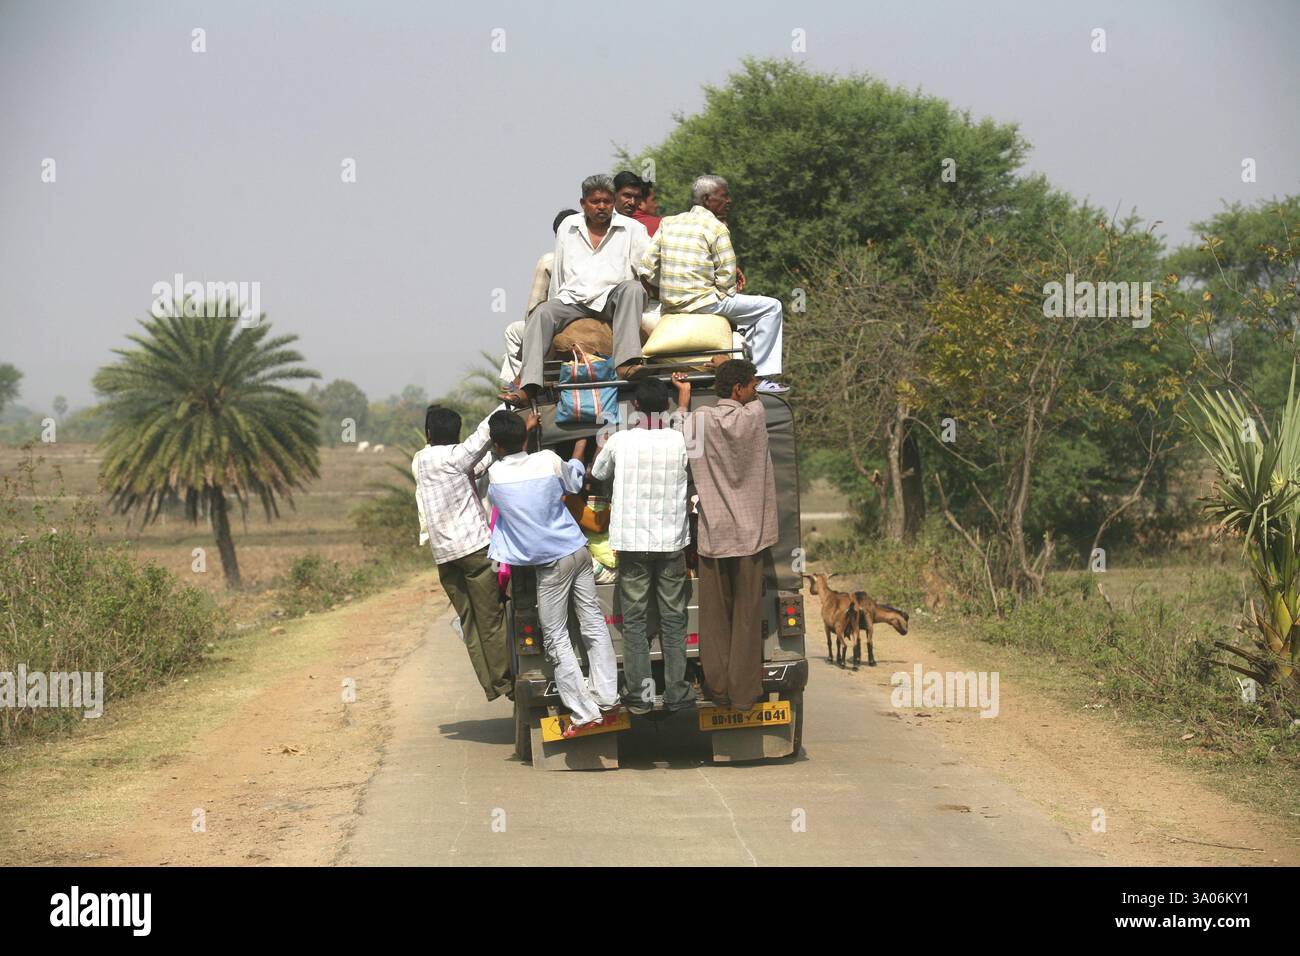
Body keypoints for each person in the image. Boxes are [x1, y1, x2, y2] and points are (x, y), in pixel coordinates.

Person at [485, 410, 620, 736]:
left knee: (556, 637)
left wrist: (523, 434)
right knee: (592, 624)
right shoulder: (547, 459)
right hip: (578, 552)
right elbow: (574, 481)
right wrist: (576, 453)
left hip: (550, 566)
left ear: (496, 444)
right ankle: (608, 697)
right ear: (524, 436)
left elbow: (510, 470)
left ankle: (584, 711)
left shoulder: (496, 476)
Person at [679, 359, 778, 711]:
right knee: (747, 618)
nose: (755, 390)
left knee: (715, 619)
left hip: (713, 535)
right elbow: (756, 401)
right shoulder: (755, 416)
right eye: (751, 385)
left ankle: (717, 689)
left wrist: (684, 396)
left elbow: (680, 428)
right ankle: (742, 695)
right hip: (750, 537)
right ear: (739, 389)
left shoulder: (697, 421)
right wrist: (724, 364)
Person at [590, 376, 692, 714]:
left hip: (631, 546)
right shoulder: (679, 440)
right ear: (665, 407)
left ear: (634, 407)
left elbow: (598, 473)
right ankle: (677, 694)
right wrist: (685, 401)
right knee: (673, 620)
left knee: (633, 622)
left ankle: (640, 697)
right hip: (671, 544)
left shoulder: (619, 440)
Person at [501, 174, 650, 405]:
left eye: (607, 202)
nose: (602, 207)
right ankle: (529, 386)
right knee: (542, 312)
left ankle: (626, 364)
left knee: (633, 288)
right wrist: (555, 310)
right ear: (583, 204)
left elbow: (646, 270)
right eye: (595, 201)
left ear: (613, 202)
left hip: (612, 298)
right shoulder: (568, 227)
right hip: (573, 299)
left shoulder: (632, 229)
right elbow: (560, 273)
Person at [639, 174, 786, 392]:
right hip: (705, 304)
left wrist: (672, 286)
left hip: (671, 304)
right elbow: (726, 279)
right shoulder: (716, 227)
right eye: (724, 196)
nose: (729, 201)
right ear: (707, 199)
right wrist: (715, 290)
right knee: (772, 307)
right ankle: (762, 375)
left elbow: (647, 268)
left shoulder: (668, 223)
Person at [412, 403, 512, 702]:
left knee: (469, 620)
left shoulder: (421, 461)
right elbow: (482, 435)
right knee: (491, 619)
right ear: (456, 435)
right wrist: (510, 401)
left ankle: (491, 685)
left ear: (428, 433)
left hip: (444, 556)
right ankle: (505, 682)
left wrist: (493, 453)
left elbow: (475, 464)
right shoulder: (457, 457)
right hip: (474, 550)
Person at [499, 208, 579, 386]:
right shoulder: (598, 256)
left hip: (560, 324)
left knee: (513, 331)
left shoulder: (549, 260)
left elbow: (532, 310)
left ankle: (518, 383)